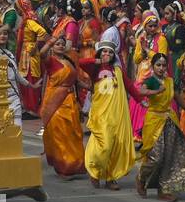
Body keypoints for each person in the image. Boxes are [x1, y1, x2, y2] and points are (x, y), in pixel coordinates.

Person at [136, 53, 185, 201]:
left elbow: (178, 99)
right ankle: (141, 177)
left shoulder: (170, 81)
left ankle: (163, 189)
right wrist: (155, 91)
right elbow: (141, 91)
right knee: (155, 157)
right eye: (158, 65)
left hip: (169, 121)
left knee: (168, 157)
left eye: (164, 65)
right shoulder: (151, 81)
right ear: (153, 66)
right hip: (154, 121)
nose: (161, 68)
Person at [81, 42, 140, 190]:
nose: (107, 54)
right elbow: (81, 63)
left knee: (115, 147)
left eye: (110, 53)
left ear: (114, 56)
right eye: (104, 52)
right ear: (100, 53)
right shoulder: (95, 68)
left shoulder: (118, 70)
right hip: (101, 115)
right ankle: (94, 171)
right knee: (104, 145)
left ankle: (110, 178)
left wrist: (141, 101)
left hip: (117, 115)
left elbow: (130, 86)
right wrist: (98, 61)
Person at [39, 35, 88, 179]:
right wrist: (52, 40)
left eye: (62, 44)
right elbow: (42, 53)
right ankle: (63, 168)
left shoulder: (69, 61)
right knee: (59, 134)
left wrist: (88, 86)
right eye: (57, 44)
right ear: (53, 47)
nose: (60, 46)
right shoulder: (50, 61)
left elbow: (75, 80)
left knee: (73, 133)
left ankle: (74, 164)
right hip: (55, 101)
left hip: (70, 101)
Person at [130, 11, 168, 139]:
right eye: (149, 26)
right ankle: (140, 132)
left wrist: (148, 51)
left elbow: (162, 58)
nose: (152, 28)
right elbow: (136, 59)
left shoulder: (161, 39)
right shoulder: (141, 39)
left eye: (154, 26)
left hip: (155, 75)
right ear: (145, 26)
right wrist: (142, 51)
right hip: (142, 74)